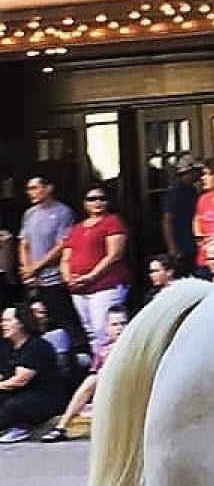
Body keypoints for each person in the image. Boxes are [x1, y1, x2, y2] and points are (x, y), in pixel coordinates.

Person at [39, 304, 127, 442]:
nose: (120, 328)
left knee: (95, 379)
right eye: (115, 324)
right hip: (107, 389)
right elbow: (94, 372)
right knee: (91, 380)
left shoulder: (133, 346)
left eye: (123, 323)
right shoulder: (103, 348)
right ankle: (61, 427)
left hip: (129, 385)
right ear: (107, 328)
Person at [59, 185, 130, 356]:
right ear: (85, 204)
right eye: (92, 199)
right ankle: (98, 367)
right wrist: (67, 277)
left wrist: (91, 276)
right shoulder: (76, 228)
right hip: (79, 288)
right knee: (91, 332)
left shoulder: (112, 221)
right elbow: (65, 257)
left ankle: (109, 368)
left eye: (101, 198)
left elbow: (114, 255)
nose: (97, 202)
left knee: (104, 330)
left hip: (106, 285)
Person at [17, 176, 83, 349]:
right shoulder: (29, 213)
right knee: (34, 321)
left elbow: (62, 245)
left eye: (35, 187)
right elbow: (24, 242)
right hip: (34, 281)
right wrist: (26, 269)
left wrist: (35, 267)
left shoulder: (63, 212)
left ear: (48, 188)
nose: (31, 192)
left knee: (64, 321)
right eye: (29, 188)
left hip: (53, 278)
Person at [0, 302, 68, 442]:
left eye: (7, 320)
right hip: (18, 394)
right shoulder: (6, 347)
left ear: (21, 323)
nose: (3, 324)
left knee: (13, 407)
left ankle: (19, 428)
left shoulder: (37, 346)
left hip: (45, 397)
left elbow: (20, 380)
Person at [161, 156, 201, 275]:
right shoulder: (176, 192)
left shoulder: (192, 189)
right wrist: (172, 248)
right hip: (182, 245)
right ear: (189, 172)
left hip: (192, 242)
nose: (199, 174)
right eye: (196, 171)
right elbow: (167, 221)